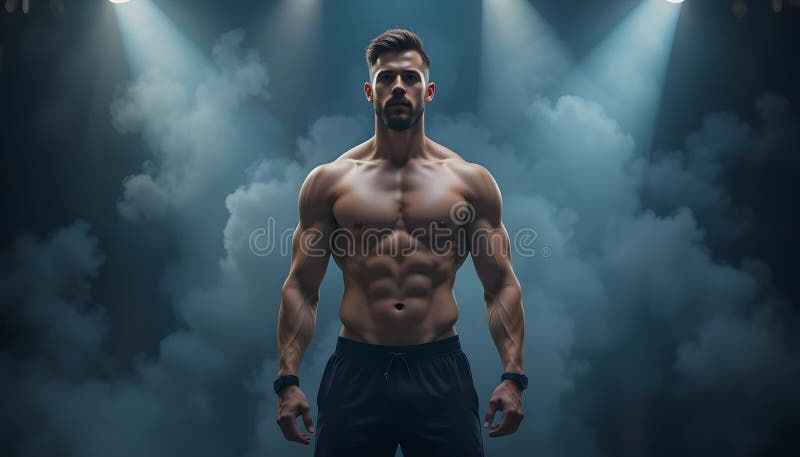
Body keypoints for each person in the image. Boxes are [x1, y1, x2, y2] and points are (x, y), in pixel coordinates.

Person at [274, 28, 527, 457]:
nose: (397, 87)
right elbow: (302, 287)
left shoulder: (469, 181)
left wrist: (513, 376)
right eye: (386, 78)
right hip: (357, 369)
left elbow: (500, 285)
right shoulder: (329, 182)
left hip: (439, 369)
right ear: (368, 91)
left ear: (428, 91)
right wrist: (287, 382)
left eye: (409, 78)